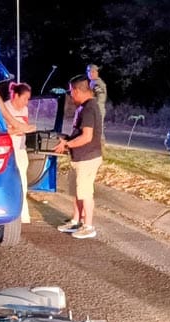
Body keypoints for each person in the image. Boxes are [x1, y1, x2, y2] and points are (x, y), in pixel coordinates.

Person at [53, 74, 103, 239]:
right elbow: (79, 134)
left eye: (71, 92)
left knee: (85, 192)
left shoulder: (89, 108)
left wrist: (66, 144)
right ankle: (76, 221)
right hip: (80, 157)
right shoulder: (86, 106)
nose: (70, 95)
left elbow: (87, 137)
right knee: (78, 191)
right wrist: (66, 139)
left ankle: (88, 226)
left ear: (76, 90)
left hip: (87, 158)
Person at [5, 82, 34, 224]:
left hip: (21, 150)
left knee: (22, 182)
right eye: (25, 98)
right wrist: (20, 129)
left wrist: (22, 129)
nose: (26, 102)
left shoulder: (25, 110)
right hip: (7, 150)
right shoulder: (5, 108)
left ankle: (23, 214)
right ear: (16, 95)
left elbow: (25, 127)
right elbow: (4, 130)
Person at [86, 64, 108, 136]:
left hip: (97, 109)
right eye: (89, 71)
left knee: (98, 131)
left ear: (97, 72)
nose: (90, 73)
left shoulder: (97, 83)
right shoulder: (93, 82)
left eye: (93, 71)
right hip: (95, 109)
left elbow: (99, 98)